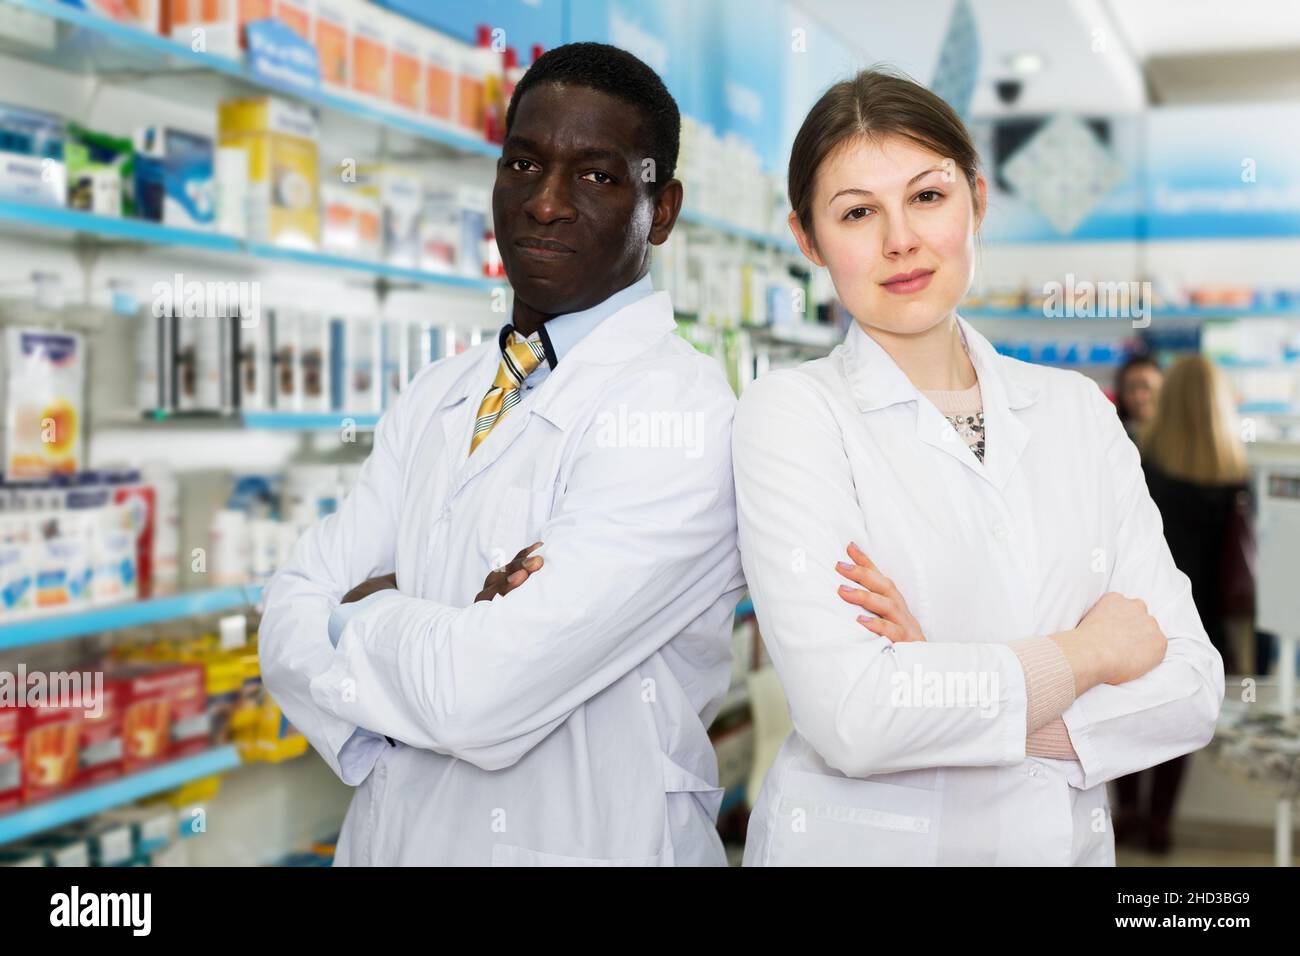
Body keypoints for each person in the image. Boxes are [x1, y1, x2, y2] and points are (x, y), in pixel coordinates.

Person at [258, 43, 745, 866]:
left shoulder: (684, 416)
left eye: (596, 176)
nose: (545, 203)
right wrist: (428, 629)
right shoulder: (436, 393)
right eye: (523, 163)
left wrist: (355, 617)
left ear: (661, 210)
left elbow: (478, 696)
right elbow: (283, 617)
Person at [732, 68, 1224, 866]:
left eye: (928, 196)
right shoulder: (791, 416)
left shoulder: (1076, 416)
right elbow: (856, 717)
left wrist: (938, 681)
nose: (900, 240)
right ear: (808, 240)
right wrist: (1091, 655)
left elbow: (1192, 688)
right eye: (858, 213)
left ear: (976, 200)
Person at [1113, 355, 1252, 853]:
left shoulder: (1143, 464)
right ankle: (1159, 824)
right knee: (1177, 719)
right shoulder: (1234, 476)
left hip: (1140, 611)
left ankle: (1126, 811)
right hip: (1203, 619)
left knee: (1125, 713)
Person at [1114, 353, 1162, 439]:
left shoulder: (1178, 434)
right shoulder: (1116, 436)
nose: (1138, 397)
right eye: (1130, 388)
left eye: (1146, 386)